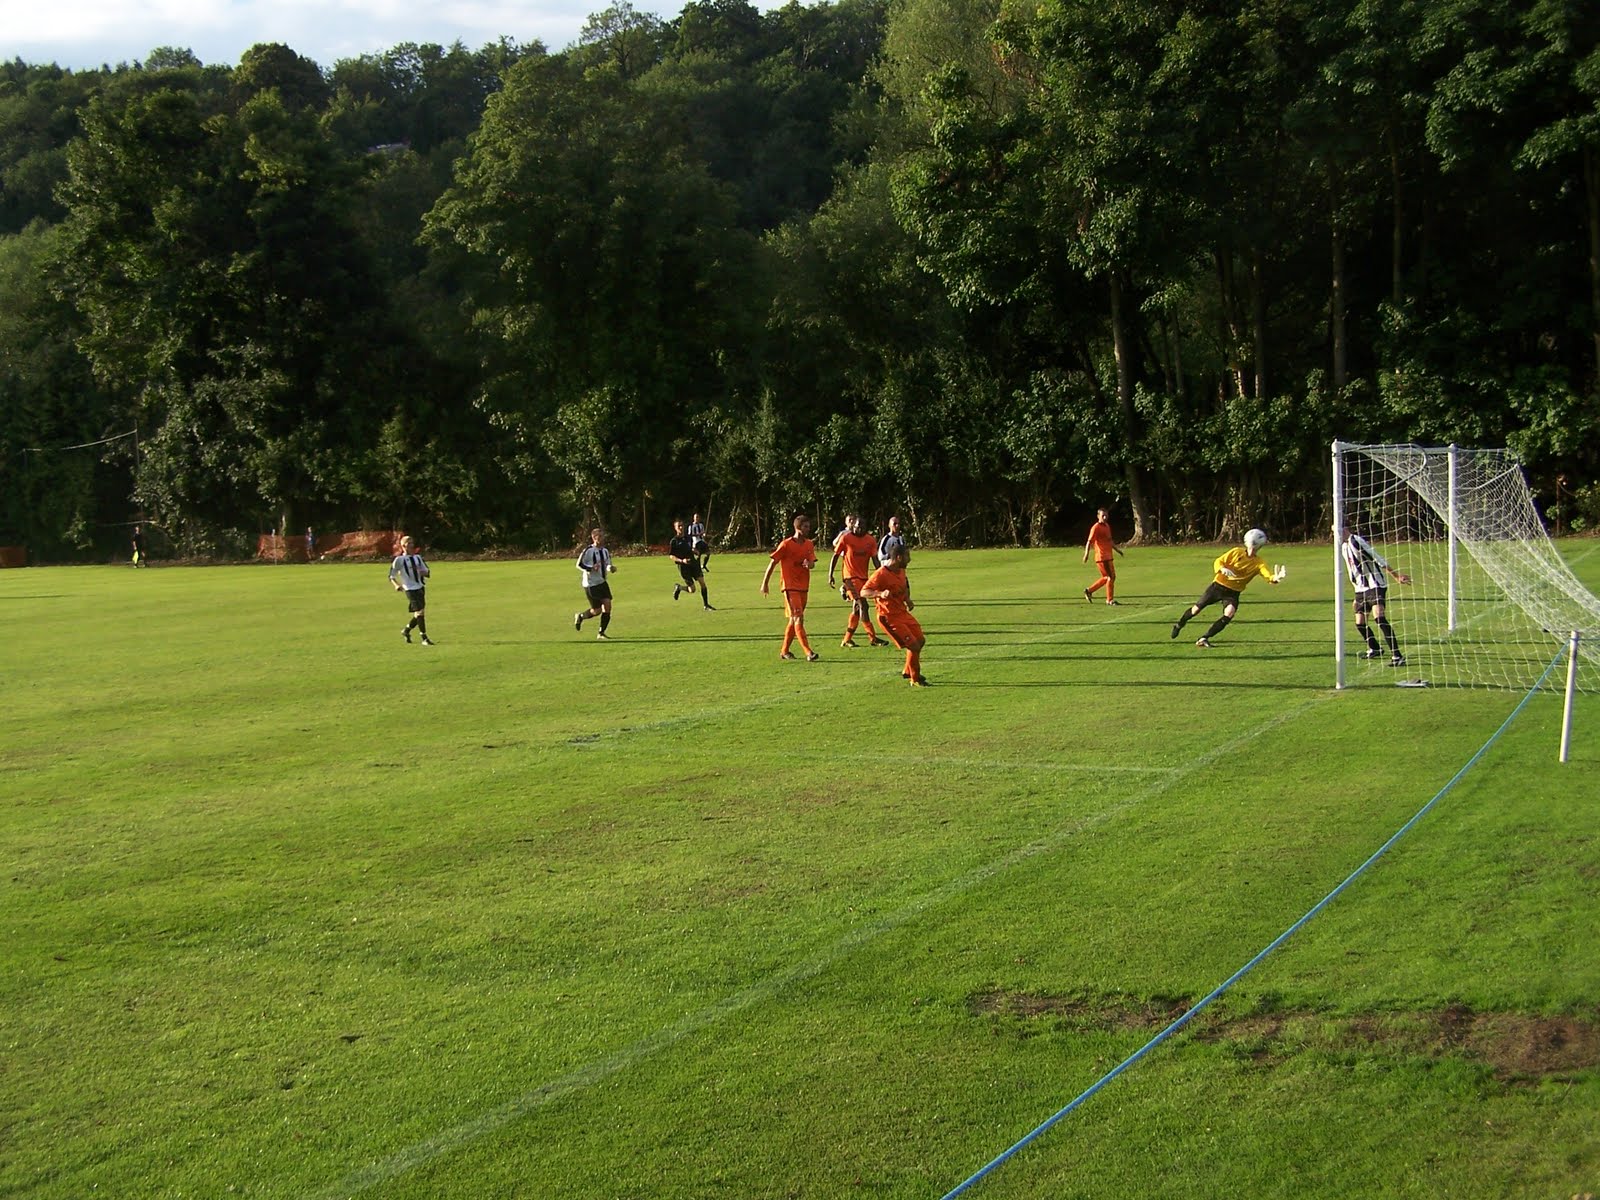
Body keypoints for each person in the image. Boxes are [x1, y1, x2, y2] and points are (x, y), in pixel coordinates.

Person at [1170, 527, 1280, 648]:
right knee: (1196, 610)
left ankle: (1204, 638)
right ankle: (1179, 624)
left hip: (1233, 593)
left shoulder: (1259, 562)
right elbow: (1219, 561)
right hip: (1218, 587)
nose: (1253, 548)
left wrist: (1275, 578)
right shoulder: (1236, 552)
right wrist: (1222, 568)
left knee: (1229, 613)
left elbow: (1267, 575)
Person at [1341, 525, 1410, 666]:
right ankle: (1375, 648)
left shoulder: (1356, 540)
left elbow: (1377, 558)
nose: (1335, 535)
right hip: (1361, 589)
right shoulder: (1343, 547)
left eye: (1337, 531)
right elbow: (1353, 571)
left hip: (1375, 584)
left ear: (1345, 529)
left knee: (1379, 617)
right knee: (1360, 622)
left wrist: (1396, 576)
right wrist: (1357, 593)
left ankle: (1397, 656)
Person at [861, 543, 928, 686]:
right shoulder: (880, 574)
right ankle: (915, 679)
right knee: (914, 646)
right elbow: (864, 591)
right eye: (907, 556)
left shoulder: (901, 570)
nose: (909, 559)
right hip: (888, 616)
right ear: (898, 557)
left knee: (920, 640)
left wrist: (907, 599)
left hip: (902, 613)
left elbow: (902, 587)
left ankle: (907, 670)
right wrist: (879, 593)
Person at [760, 513, 820, 661]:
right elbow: (773, 562)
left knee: (793, 620)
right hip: (790, 586)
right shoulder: (786, 544)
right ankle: (808, 652)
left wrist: (809, 564)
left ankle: (784, 651)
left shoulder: (809, 544)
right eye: (806, 526)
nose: (808, 529)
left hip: (804, 587)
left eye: (809, 526)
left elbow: (812, 563)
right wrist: (765, 583)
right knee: (799, 618)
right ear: (798, 528)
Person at [828, 513, 886, 648]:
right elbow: (835, 556)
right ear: (853, 526)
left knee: (856, 608)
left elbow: (875, 559)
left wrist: (881, 575)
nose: (860, 529)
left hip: (863, 578)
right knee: (863, 606)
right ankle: (872, 637)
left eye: (862, 527)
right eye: (857, 526)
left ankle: (847, 639)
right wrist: (830, 574)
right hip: (849, 578)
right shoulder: (846, 538)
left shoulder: (870, 540)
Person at [389, 534, 434, 645]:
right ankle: (424, 638)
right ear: (403, 546)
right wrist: (396, 585)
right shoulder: (399, 560)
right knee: (420, 612)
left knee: (418, 614)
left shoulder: (418, 558)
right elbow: (391, 575)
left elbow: (427, 572)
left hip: (420, 587)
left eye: (412, 543)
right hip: (409, 589)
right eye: (409, 543)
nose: (411, 545)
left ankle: (406, 630)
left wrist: (422, 572)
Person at [574, 528, 617, 640]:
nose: (603, 538)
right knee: (597, 610)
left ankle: (601, 633)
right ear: (594, 537)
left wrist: (611, 568)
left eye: (603, 536)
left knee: (607, 606)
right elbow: (579, 564)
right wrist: (590, 568)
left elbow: (607, 564)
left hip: (602, 582)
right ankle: (581, 616)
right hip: (591, 584)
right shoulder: (588, 550)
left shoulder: (605, 551)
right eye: (600, 536)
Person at [1082, 507, 1125, 604]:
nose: (1105, 517)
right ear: (1098, 516)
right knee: (1111, 577)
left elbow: (1110, 541)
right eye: (1103, 515)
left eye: (1106, 515)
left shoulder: (1107, 526)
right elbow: (1089, 542)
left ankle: (1089, 591)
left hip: (1108, 556)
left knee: (1107, 577)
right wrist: (1086, 554)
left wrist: (1118, 550)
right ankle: (1109, 600)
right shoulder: (1095, 527)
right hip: (1102, 557)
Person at [669, 518, 714, 610]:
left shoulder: (688, 538)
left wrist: (695, 551)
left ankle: (706, 605)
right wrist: (682, 561)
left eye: (682, 525)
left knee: (702, 583)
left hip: (693, 563)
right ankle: (679, 588)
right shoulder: (674, 541)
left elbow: (690, 548)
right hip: (683, 567)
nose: (681, 527)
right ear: (675, 528)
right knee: (692, 589)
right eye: (679, 526)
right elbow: (671, 556)